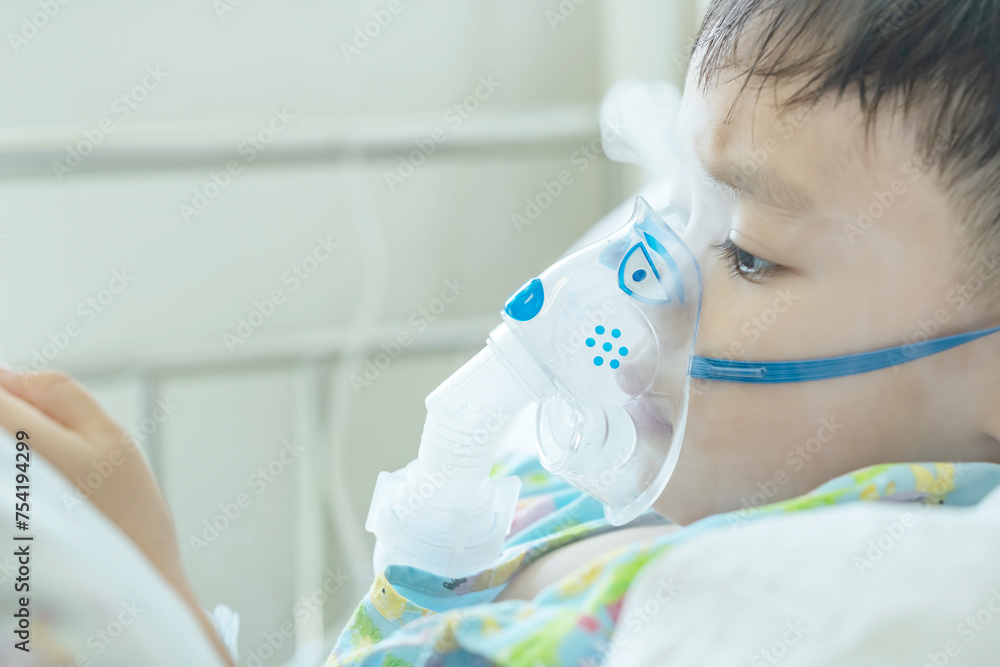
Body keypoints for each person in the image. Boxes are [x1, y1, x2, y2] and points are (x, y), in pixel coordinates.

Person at [3, 0, 999, 665]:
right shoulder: (586, 493)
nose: (641, 285)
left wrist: (149, 620)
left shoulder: (845, 597)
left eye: (745, 249)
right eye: (675, 203)